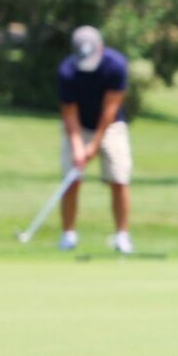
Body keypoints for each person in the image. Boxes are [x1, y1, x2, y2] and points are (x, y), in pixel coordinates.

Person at [56, 25, 134, 254]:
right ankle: (68, 235)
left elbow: (110, 109)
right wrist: (78, 146)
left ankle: (122, 236)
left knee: (119, 177)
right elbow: (69, 114)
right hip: (78, 125)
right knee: (71, 179)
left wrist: (95, 143)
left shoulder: (116, 65)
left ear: (101, 48)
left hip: (110, 126)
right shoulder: (67, 71)